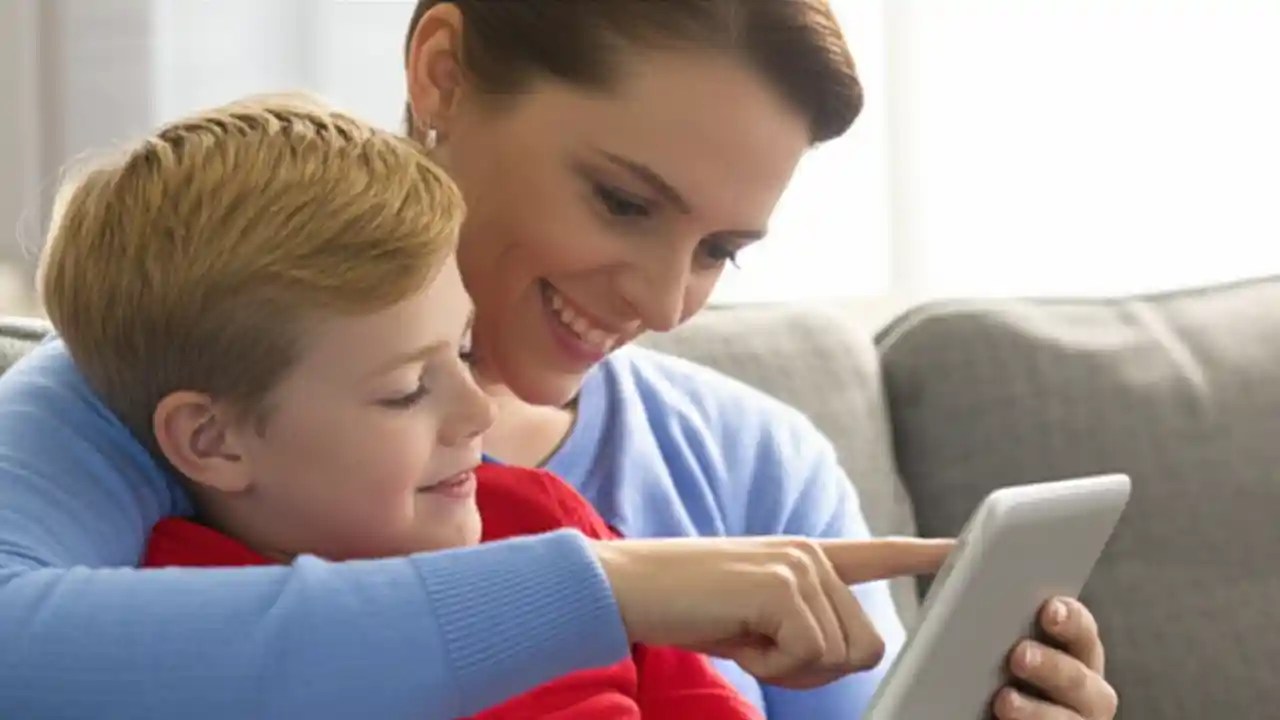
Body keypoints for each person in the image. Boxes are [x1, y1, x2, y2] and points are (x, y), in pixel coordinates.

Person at [0, 2, 1118, 720]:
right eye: (623, 200)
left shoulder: (751, 459)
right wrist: (608, 589)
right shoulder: (137, 373)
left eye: (720, 251)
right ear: (441, 73)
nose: (665, 303)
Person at [46, 95, 759, 719]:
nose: (478, 413)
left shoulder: (545, 519)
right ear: (212, 440)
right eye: (407, 390)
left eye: (466, 350)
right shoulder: (166, 644)